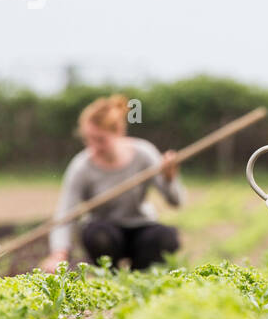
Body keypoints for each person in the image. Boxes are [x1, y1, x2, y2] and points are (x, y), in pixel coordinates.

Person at [40, 95, 184, 272]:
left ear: (118, 132)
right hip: (106, 232)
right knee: (98, 235)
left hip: (140, 227)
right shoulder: (82, 166)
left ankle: (142, 277)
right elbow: (66, 213)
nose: (93, 146)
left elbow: (175, 202)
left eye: (100, 140)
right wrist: (59, 254)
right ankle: (110, 277)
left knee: (165, 237)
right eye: (88, 139)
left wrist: (169, 179)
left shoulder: (143, 153)